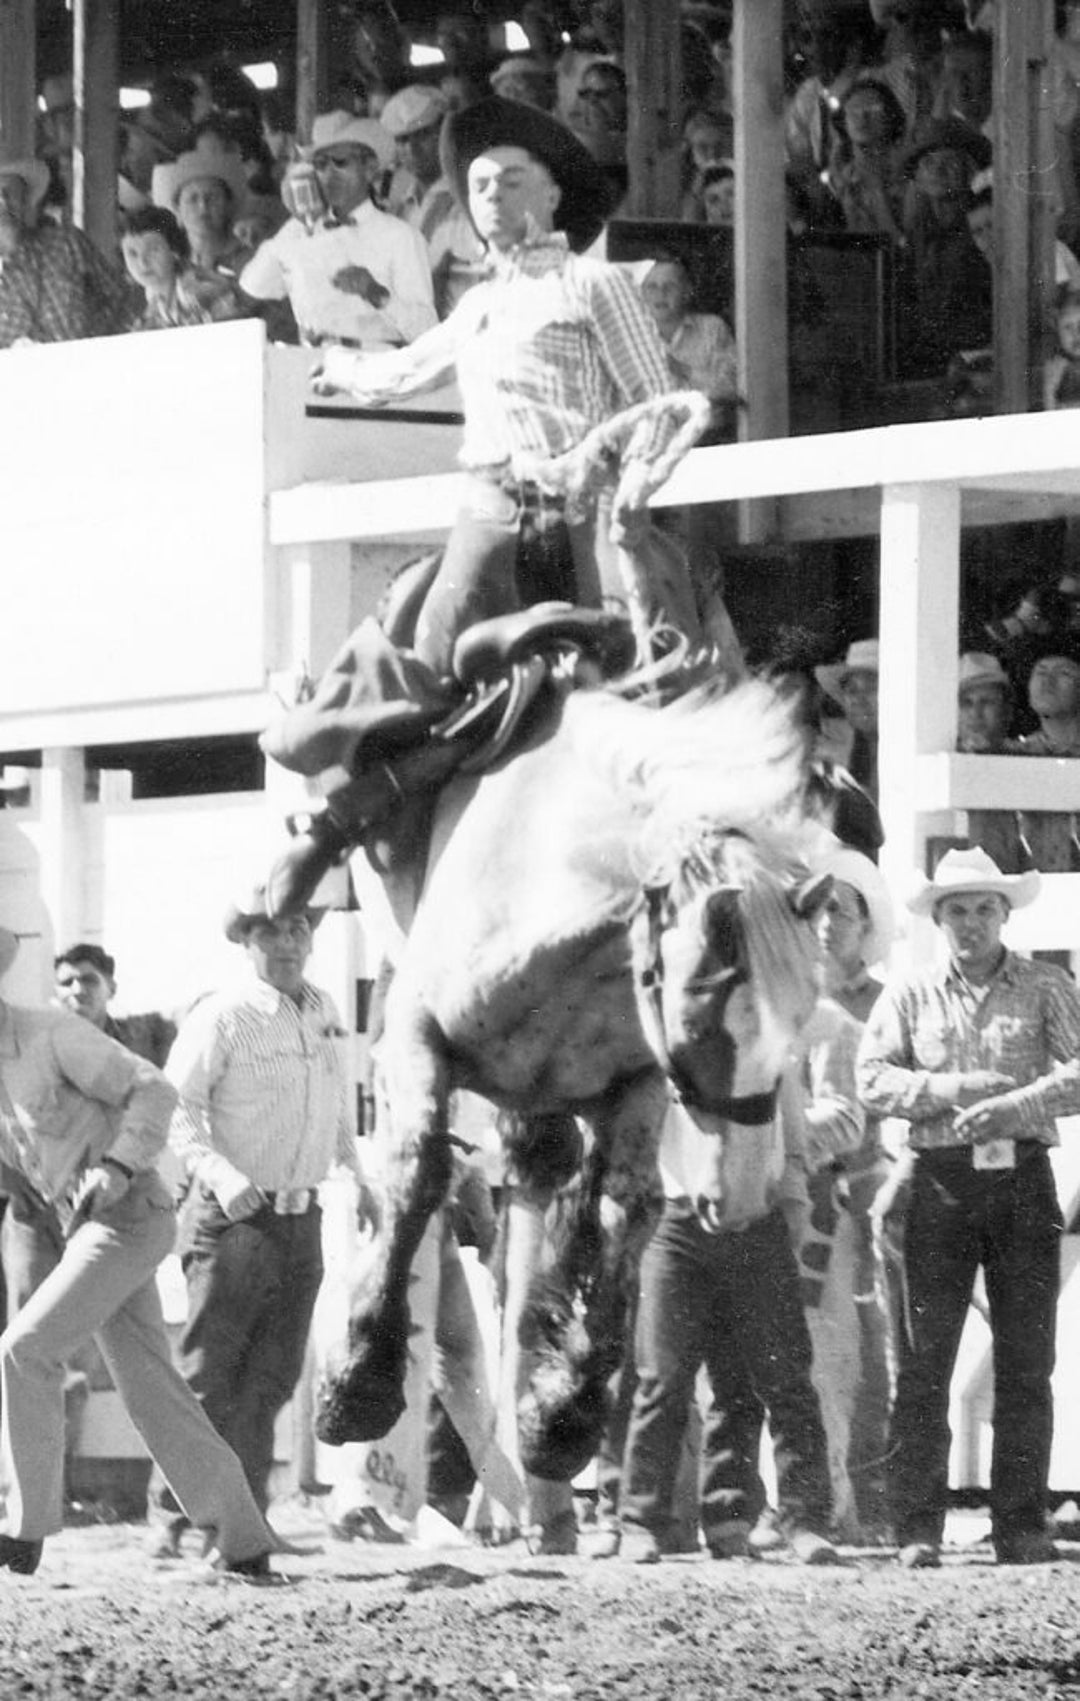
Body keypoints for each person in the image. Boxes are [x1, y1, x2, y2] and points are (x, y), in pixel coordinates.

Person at [313, 96, 704, 677]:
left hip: (585, 501)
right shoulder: (478, 304)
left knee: (651, 652)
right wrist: (340, 368)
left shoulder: (593, 284)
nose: (493, 193)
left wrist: (636, 486)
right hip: (493, 507)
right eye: (480, 185)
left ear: (552, 198)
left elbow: (656, 401)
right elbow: (405, 371)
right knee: (431, 647)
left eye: (512, 180)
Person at [0, 918, 273, 1578]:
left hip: (130, 1217)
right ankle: (242, 1536)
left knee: (23, 1348)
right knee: (152, 1387)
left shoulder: (53, 1033)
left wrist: (117, 1166)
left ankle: (23, 1530)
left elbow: (155, 1088)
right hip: (87, 1230)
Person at [857, 846, 1080, 1567]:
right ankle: (916, 1524)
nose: (971, 922)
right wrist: (950, 1090)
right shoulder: (911, 991)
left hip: (1019, 1177)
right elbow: (872, 1077)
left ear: (1005, 913)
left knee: (1026, 1356)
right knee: (925, 1358)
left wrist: (1016, 1103)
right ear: (938, 918)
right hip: (939, 1180)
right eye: (958, 910)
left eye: (985, 907)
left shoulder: (1047, 986)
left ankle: (1019, 1523)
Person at [150, 887, 364, 1553]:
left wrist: (358, 1171)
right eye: (269, 932)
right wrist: (224, 1176)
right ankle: (176, 1523)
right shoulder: (223, 1014)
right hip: (234, 1219)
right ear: (244, 940)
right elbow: (173, 1106)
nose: (286, 944)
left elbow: (334, 1102)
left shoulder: (324, 1008)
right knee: (209, 1374)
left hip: (303, 1217)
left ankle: (244, 1523)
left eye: (298, 929)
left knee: (270, 1377)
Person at [617, 1088, 838, 1566]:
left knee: (779, 1379)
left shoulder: (767, 1046)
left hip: (758, 1220)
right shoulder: (665, 1052)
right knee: (662, 1377)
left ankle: (785, 1521)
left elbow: (795, 1136)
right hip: (676, 1222)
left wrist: (795, 1200)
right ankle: (640, 1519)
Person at [240, 110, 436, 349]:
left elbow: (427, 329)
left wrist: (376, 293)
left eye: (341, 162)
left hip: (377, 365)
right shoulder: (300, 233)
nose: (329, 174)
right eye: (320, 165)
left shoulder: (401, 237)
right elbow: (255, 287)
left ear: (370, 167)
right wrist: (296, 222)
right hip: (315, 366)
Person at [0, 155, 135, 347]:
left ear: (26, 199)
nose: (3, 202)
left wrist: (93, 342)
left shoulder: (67, 243)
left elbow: (122, 299)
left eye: (10, 192)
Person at [121, 207, 250, 332]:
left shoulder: (205, 288)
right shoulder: (144, 301)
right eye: (132, 253)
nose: (142, 262)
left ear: (174, 250)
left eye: (153, 250)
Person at [640, 255, 738, 408]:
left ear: (687, 291)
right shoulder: (632, 334)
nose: (661, 293)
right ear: (642, 293)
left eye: (670, 286)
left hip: (705, 428)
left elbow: (731, 388)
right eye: (652, 286)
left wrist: (681, 369)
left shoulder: (712, 328)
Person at [151, 138, 254, 277]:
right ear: (177, 210)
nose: (203, 206)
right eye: (192, 199)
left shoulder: (250, 259)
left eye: (212, 197)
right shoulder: (173, 269)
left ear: (228, 205)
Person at [815, 637, 879, 802]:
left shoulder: (912, 750)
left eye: (871, 687)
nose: (858, 698)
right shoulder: (847, 756)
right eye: (851, 690)